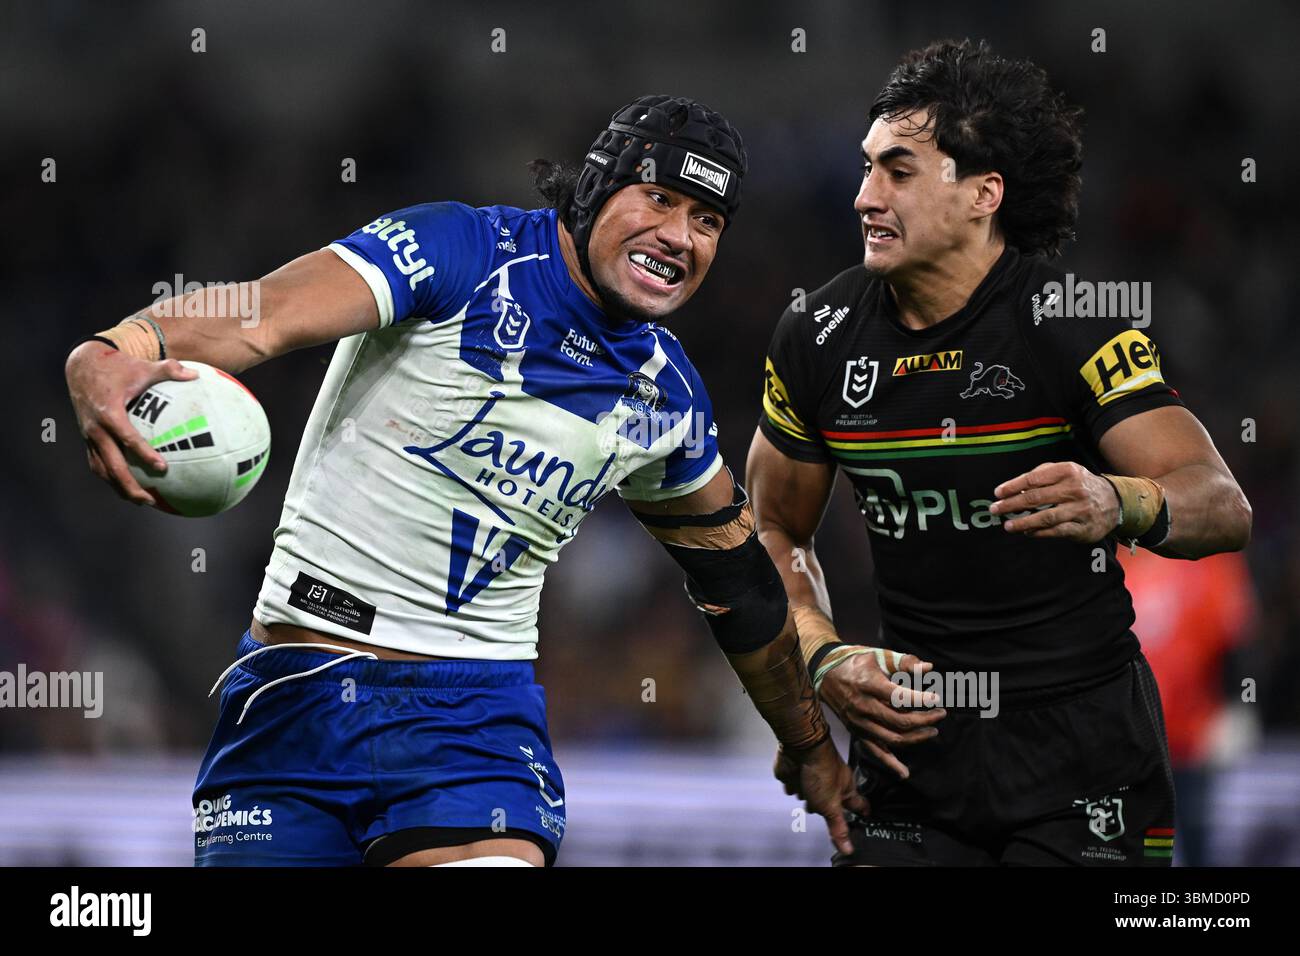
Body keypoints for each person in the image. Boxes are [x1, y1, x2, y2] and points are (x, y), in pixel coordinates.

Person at [65, 94, 862, 866]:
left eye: (707, 220)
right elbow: (265, 313)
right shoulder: (458, 250)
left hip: (472, 724)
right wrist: (119, 345)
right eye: (658, 198)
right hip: (290, 697)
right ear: (594, 187)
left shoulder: (666, 399)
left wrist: (808, 744)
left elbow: (740, 587)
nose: (679, 236)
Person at [748, 41, 1252, 866]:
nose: (863, 196)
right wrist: (821, 654)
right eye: (867, 167)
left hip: (1085, 754)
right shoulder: (818, 335)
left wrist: (1118, 502)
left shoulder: (1072, 320)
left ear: (984, 194)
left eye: (898, 172)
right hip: (912, 745)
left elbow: (1221, 503)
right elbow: (774, 534)